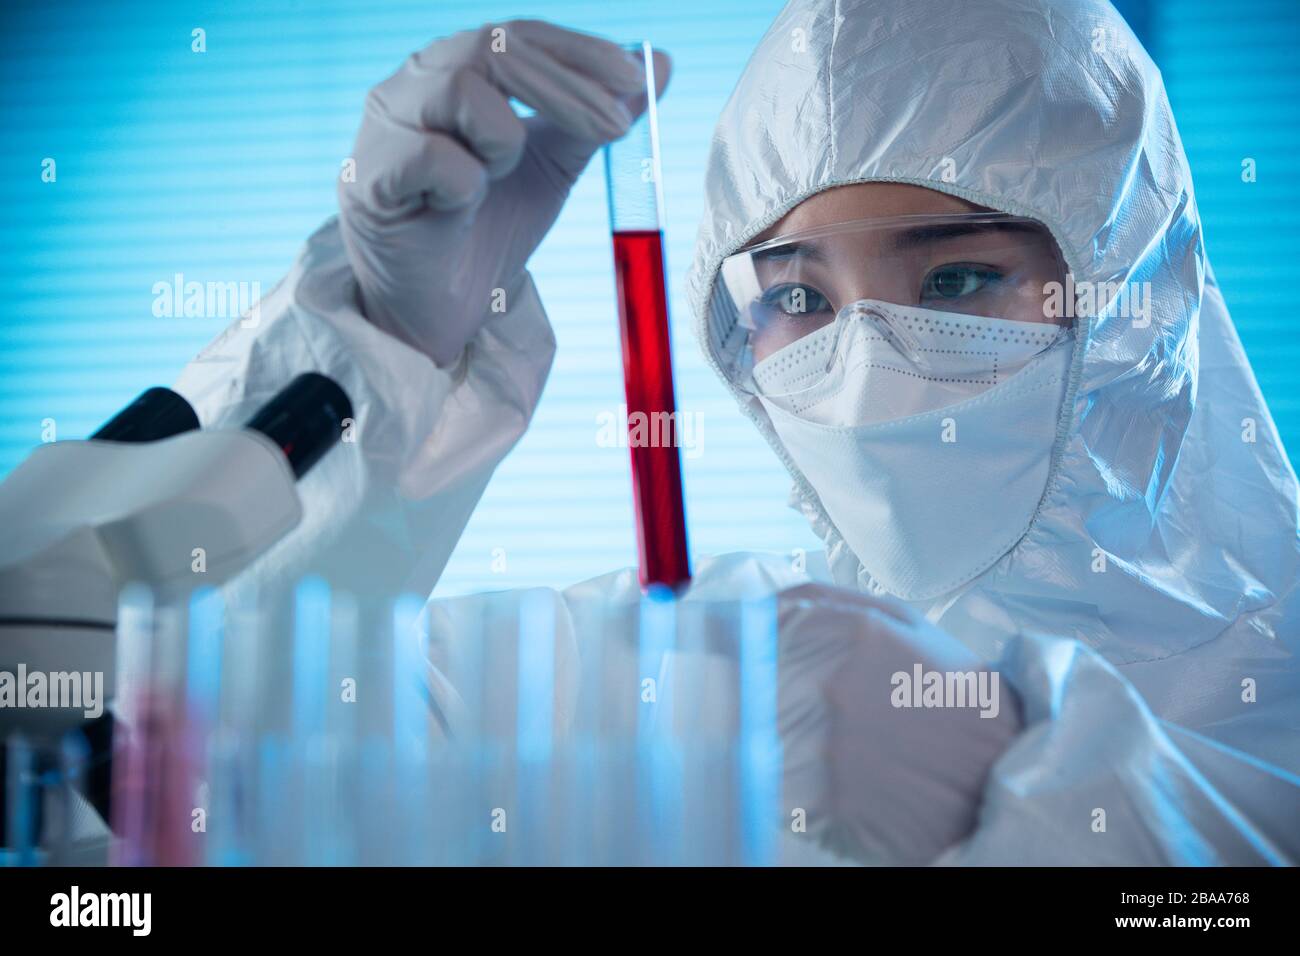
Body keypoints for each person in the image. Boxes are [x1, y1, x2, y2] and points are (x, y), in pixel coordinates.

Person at [174, 0, 1300, 864]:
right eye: (800, 302)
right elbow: (169, 758)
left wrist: (1034, 785)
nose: (861, 368)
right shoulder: (717, 661)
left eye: (954, 277)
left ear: (1130, 290)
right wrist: (370, 361)